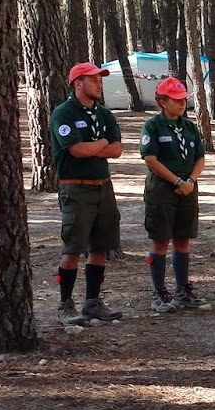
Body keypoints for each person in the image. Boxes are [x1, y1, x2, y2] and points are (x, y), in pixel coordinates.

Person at [52, 62, 125, 324]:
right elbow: (76, 150)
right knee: (73, 248)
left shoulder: (104, 114)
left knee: (100, 247)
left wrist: (96, 146)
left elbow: (117, 150)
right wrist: (102, 143)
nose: (99, 84)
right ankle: (65, 305)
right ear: (78, 83)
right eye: (94, 80)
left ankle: (92, 302)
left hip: (103, 187)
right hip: (76, 188)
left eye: (100, 80)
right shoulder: (64, 113)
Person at [140, 77, 206, 313]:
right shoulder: (153, 126)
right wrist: (176, 181)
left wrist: (190, 181)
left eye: (183, 99)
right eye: (176, 99)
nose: (181, 104)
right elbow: (150, 159)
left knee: (182, 238)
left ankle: (183, 289)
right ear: (162, 101)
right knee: (160, 239)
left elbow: (200, 157)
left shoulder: (189, 127)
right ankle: (159, 292)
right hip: (162, 189)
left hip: (188, 187)